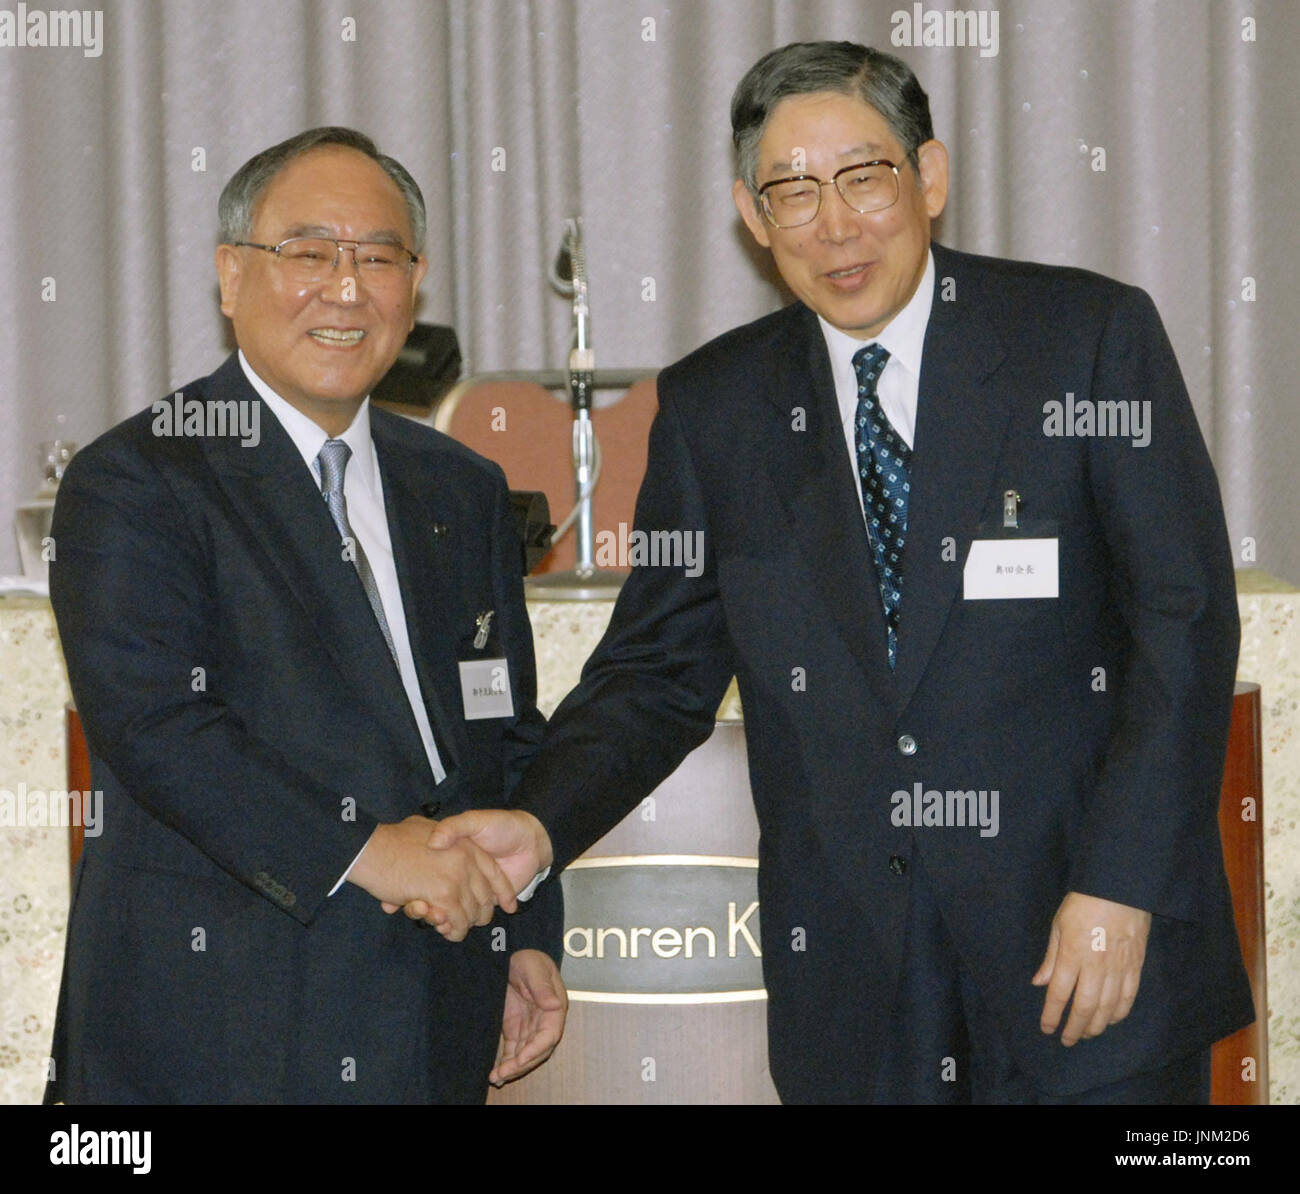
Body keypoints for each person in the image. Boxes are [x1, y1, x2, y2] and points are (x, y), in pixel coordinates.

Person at [421, 42, 1255, 1104]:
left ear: (929, 177)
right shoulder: (716, 406)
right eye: (793, 191)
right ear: (751, 215)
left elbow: (1184, 620)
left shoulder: (1083, 339)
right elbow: (655, 674)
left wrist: (1123, 884)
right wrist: (537, 823)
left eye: (863, 178)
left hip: (1087, 949)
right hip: (860, 989)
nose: (834, 224)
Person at [43, 126, 566, 1104]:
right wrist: (370, 851)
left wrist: (525, 932)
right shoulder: (138, 478)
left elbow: (502, 727)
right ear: (230, 274)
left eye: (379, 257)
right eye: (309, 253)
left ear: (415, 283)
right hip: (221, 1018)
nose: (346, 288)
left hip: (437, 1003)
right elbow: (159, 728)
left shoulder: (461, 488)